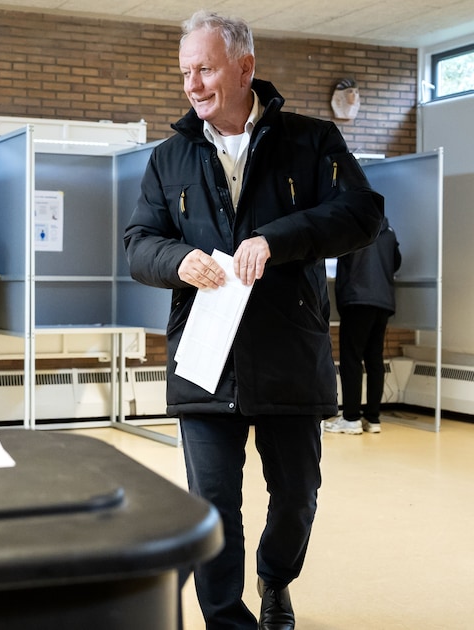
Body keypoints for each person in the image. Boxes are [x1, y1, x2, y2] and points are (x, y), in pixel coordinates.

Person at [122, 11, 383, 630]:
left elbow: (362, 214)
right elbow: (138, 243)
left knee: (296, 498)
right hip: (206, 363)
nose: (193, 83)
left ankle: (275, 577)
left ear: (246, 68)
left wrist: (277, 238)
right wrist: (176, 259)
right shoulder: (170, 157)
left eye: (205, 68)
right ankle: (226, 619)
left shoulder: (313, 142)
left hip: (289, 356)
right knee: (212, 505)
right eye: (186, 71)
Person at [325, 216, 402, 435]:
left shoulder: (354, 226)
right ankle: (373, 418)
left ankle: (351, 418)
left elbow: (335, 251)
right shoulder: (390, 231)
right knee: (375, 359)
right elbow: (396, 262)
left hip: (357, 298)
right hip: (384, 301)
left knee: (351, 359)